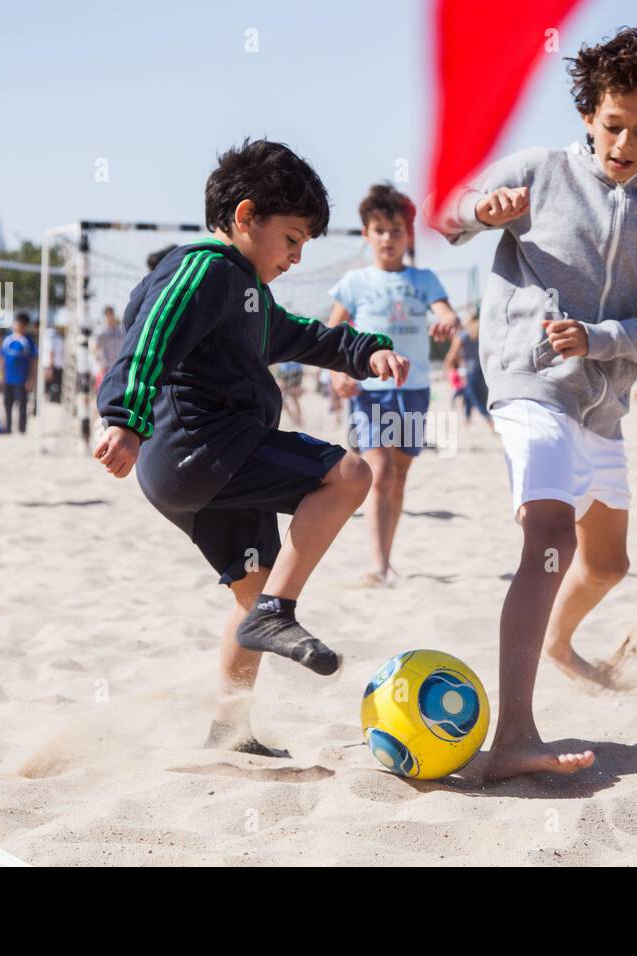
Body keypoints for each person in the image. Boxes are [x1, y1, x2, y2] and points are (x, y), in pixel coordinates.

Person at [433, 22, 637, 778]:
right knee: (548, 536)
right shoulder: (540, 171)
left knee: (609, 562)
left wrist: (604, 338)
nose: (623, 143)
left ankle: (559, 641)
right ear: (589, 113)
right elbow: (446, 213)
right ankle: (514, 735)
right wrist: (477, 213)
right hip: (528, 385)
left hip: (603, 401)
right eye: (612, 124)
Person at [93, 139, 409, 757]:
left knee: (251, 588)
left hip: (197, 469)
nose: (294, 257)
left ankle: (230, 731)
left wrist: (362, 350)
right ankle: (279, 612)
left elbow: (298, 334)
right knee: (347, 476)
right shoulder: (206, 268)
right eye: (291, 239)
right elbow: (150, 336)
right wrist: (124, 418)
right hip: (199, 446)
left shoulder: (245, 291)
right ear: (244, 217)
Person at [328, 183, 460, 587]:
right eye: (380, 230)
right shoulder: (355, 281)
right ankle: (378, 565)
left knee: (399, 475)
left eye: (396, 230)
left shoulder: (423, 279)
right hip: (371, 390)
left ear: (409, 235)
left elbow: (448, 315)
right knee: (379, 472)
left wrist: (445, 322)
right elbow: (330, 334)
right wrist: (337, 373)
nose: (388, 238)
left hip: (414, 389)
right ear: (366, 234)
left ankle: (388, 558)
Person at [444, 311, 493, 428]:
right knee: (469, 394)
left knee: (474, 396)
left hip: (471, 370)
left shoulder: (464, 335)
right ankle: (467, 418)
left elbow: (451, 355)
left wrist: (447, 369)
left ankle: (488, 419)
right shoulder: (481, 333)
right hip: (483, 368)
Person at [0, 312, 37, 433]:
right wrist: (1, 375)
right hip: (8, 378)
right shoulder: (7, 339)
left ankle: (22, 428)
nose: (17, 325)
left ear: (24, 326)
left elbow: (33, 362)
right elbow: (1, 359)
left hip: (22, 379)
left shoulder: (28, 341)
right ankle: (8, 427)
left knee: (22, 405)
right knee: (7, 404)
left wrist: (31, 379)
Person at [91, 306, 124, 394]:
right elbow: (94, 348)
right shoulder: (101, 331)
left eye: (111, 314)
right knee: (102, 392)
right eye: (108, 315)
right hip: (104, 367)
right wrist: (99, 363)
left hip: (116, 366)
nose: (110, 317)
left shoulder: (119, 330)